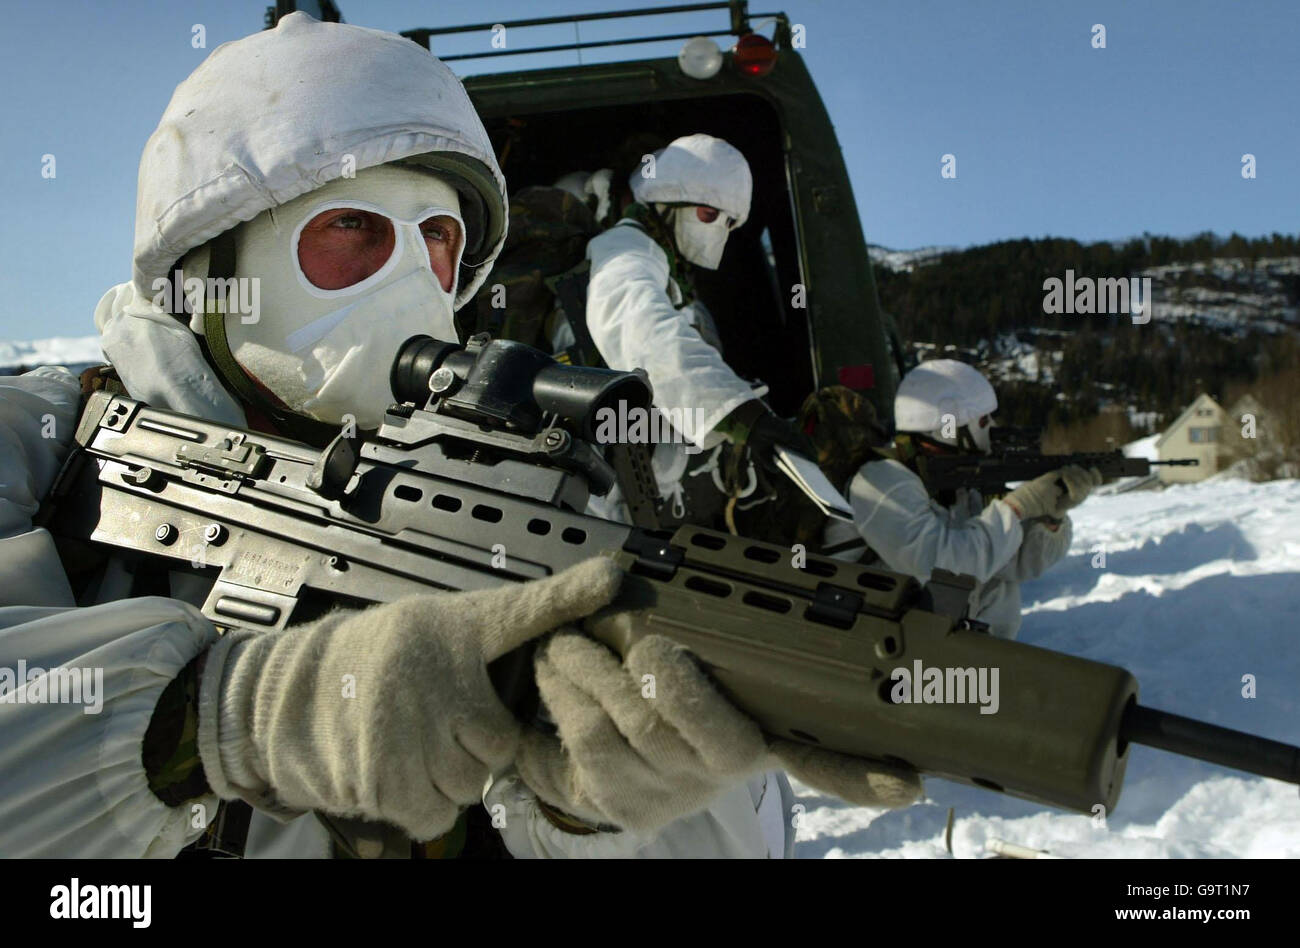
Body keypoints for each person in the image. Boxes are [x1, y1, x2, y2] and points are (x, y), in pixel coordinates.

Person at [0, 14, 919, 859]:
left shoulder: (511, 506)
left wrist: (595, 811)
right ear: (209, 263)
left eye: (437, 238)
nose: (408, 278)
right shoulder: (38, 449)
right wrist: (221, 725)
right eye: (352, 228)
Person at [581, 133, 812, 526]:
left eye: (729, 222)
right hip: (597, 485)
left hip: (635, 488)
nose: (718, 228)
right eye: (708, 214)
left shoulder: (672, 274)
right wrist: (739, 415)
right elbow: (638, 323)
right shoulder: (625, 249)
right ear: (666, 203)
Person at [820, 360, 1102, 640]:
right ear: (947, 424)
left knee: (999, 584)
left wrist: (1051, 518)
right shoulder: (880, 482)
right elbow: (945, 568)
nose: (992, 425)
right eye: (982, 420)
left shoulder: (959, 483)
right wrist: (1017, 508)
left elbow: (1016, 563)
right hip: (866, 638)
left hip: (930, 642)